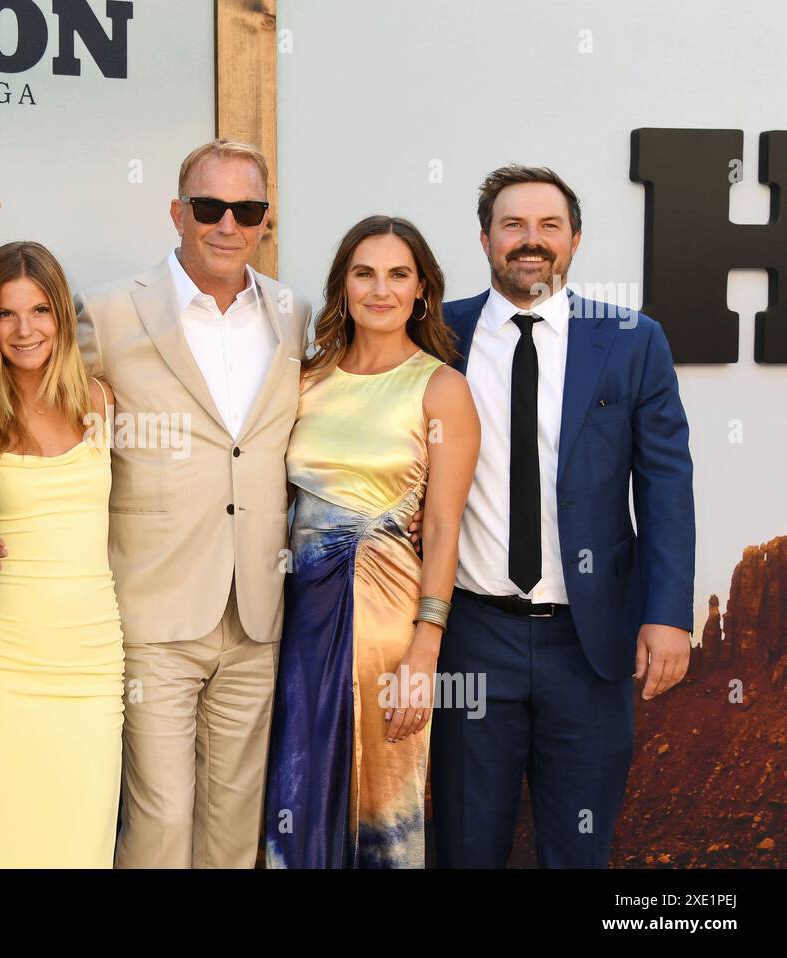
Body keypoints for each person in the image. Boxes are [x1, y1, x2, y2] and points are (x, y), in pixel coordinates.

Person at [430, 165, 696, 868]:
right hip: (472, 636)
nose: (531, 241)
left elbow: (666, 484)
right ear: (485, 238)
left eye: (549, 226)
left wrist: (667, 613)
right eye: (513, 225)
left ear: (574, 239)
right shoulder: (436, 335)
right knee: (464, 844)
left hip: (590, 643)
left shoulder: (632, 339)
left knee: (579, 850)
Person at [73, 139, 311, 868]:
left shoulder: (294, 313)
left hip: (259, 608)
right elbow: (46, 424)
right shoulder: (110, 312)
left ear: (266, 220)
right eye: (209, 207)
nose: (227, 224)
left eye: (247, 210)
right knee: (161, 817)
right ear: (178, 212)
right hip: (153, 609)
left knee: (235, 818)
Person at [263, 216, 479, 868]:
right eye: (364, 273)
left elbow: (442, 527)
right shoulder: (304, 380)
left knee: (382, 806)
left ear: (422, 291)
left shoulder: (442, 388)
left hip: (386, 629)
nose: (380, 289)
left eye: (398, 274)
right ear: (343, 285)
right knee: (294, 792)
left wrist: (426, 651)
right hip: (294, 623)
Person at [0, 241, 123, 867]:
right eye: (7, 314)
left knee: (80, 836)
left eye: (41, 311)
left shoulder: (99, 403)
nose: (25, 330)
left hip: (93, 661)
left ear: (62, 318)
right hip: (3, 656)